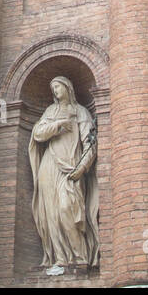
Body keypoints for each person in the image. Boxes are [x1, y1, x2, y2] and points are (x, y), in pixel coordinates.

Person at [28, 76, 99, 275]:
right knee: (51, 213)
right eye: (53, 88)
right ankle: (59, 259)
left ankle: (79, 257)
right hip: (49, 164)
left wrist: (82, 167)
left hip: (71, 167)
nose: (55, 90)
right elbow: (38, 134)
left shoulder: (81, 112)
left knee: (67, 208)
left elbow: (90, 143)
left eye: (58, 86)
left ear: (68, 88)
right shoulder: (51, 111)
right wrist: (58, 125)